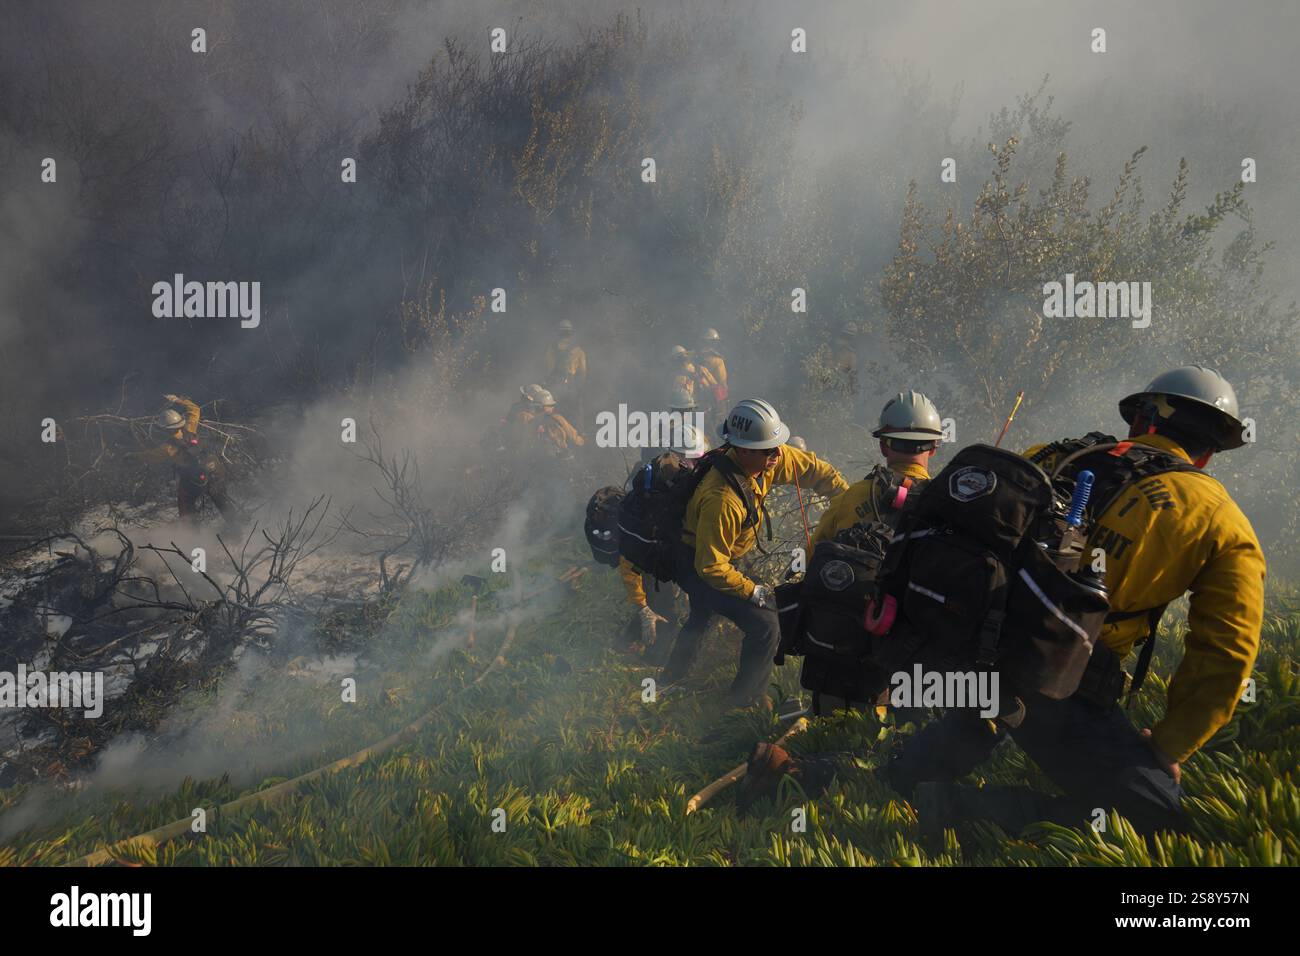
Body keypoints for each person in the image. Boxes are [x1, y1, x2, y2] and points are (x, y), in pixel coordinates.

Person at [744, 367, 1266, 835]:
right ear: (1211, 448)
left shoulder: (1055, 456)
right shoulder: (1221, 521)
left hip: (968, 649)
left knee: (971, 723)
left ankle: (827, 771)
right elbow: (1225, 657)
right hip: (1058, 682)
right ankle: (959, 809)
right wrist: (1169, 746)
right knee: (1159, 820)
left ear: (1142, 420)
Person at [661, 398, 849, 709]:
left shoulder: (767, 458)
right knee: (765, 624)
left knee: (702, 614)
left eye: (778, 445)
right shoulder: (721, 497)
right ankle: (743, 702)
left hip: (725, 555)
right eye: (768, 449)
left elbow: (816, 471)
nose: (777, 454)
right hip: (698, 564)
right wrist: (755, 592)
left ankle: (671, 677)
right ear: (742, 449)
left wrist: (845, 504)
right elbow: (711, 568)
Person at [619, 423, 710, 659]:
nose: (698, 465)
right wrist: (640, 605)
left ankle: (626, 643)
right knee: (664, 605)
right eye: (693, 459)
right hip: (655, 557)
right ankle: (654, 662)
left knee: (659, 601)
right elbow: (629, 553)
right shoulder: (656, 491)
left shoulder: (681, 481)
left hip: (670, 555)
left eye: (701, 458)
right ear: (677, 456)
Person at [810, 391, 942, 544]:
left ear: (883, 447)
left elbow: (809, 559)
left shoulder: (848, 500)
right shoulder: (948, 504)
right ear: (933, 448)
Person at [131, 394, 236, 521]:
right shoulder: (190, 428)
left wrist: (132, 456)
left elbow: (150, 457)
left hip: (193, 479)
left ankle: (191, 534)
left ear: (165, 429)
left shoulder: (167, 448)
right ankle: (236, 530)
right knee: (221, 499)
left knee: (185, 504)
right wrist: (178, 400)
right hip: (214, 470)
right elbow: (194, 409)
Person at [545, 319, 588, 424]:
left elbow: (549, 368)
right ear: (570, 333)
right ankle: (577, 433)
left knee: (555, 408)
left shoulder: (552, 348)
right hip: (571, 383)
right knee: (576, 409)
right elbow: (583, 372)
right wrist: (579, 387)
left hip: (555, 382)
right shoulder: (578, 350)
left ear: (559, 333)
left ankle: (555, 429)